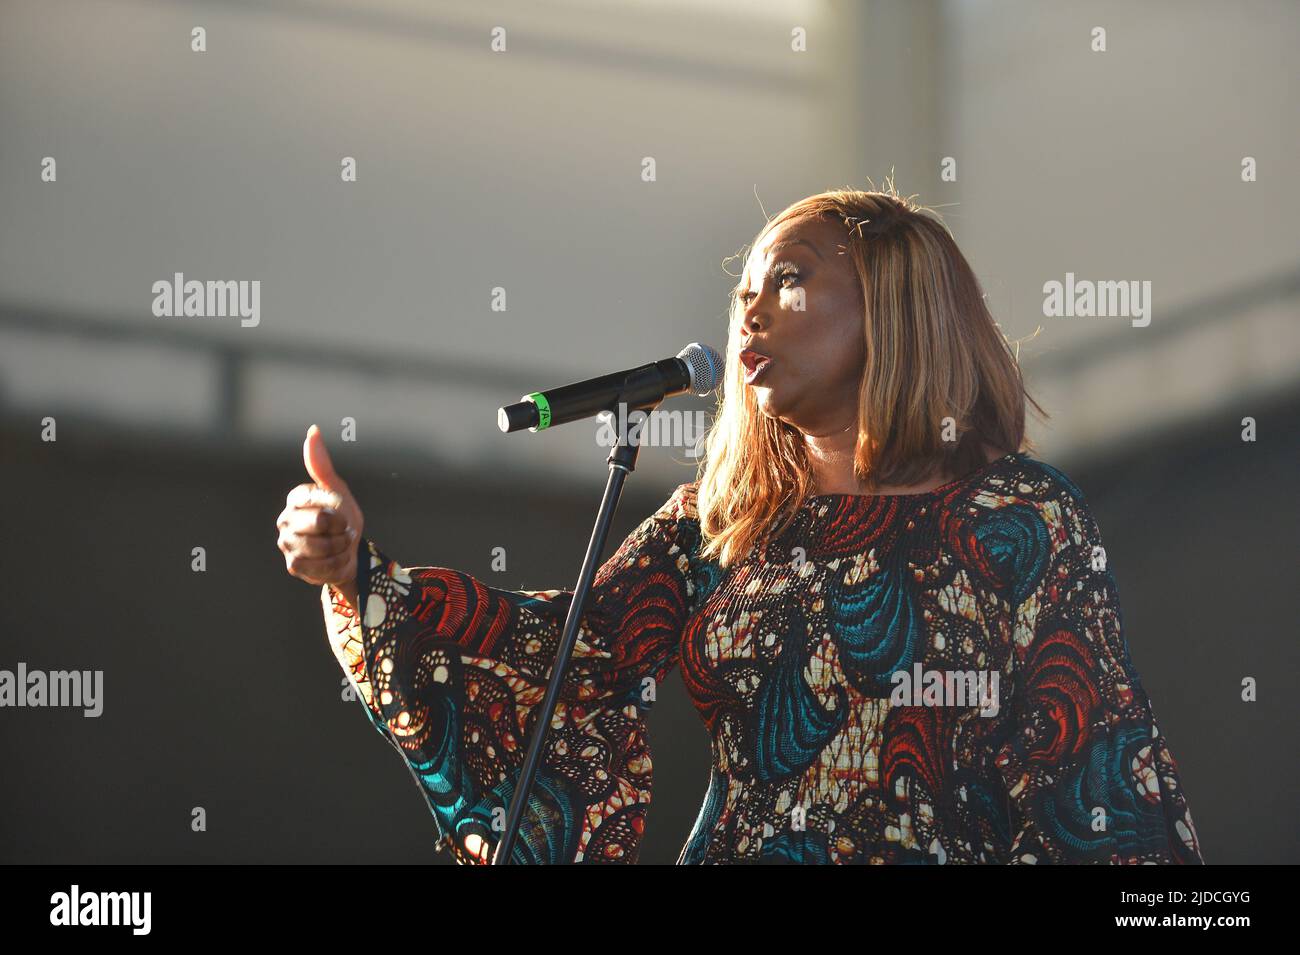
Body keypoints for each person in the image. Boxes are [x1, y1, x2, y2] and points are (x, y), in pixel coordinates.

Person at [276, 185, 1204, 865]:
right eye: (744, 292)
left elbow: (1095, 762)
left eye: (789, 280)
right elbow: (559, 660)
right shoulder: (718, 526)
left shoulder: (1022, 518)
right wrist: (354, 570)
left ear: (893, 302)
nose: (750, 308)